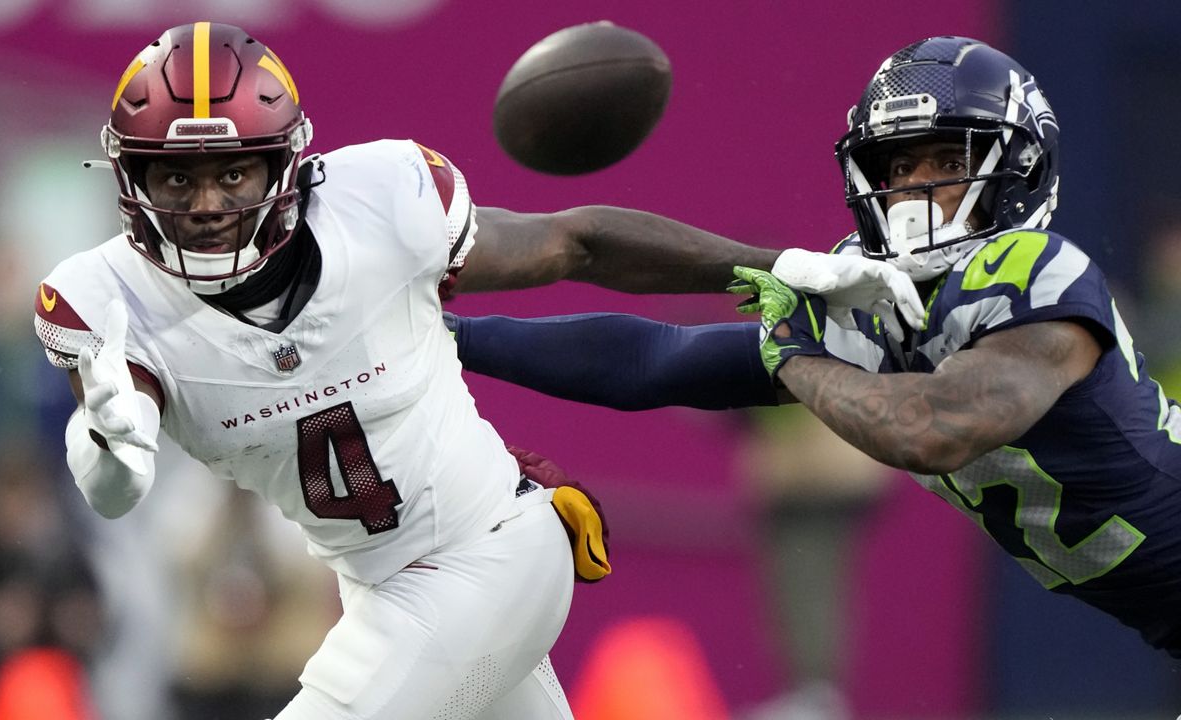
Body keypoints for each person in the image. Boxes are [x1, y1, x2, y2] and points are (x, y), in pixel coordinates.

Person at [31, 22, 916, 720]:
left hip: (492, 552)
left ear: (285, 166)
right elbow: (115, 484)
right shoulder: (104, 301)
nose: (207, 207)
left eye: (231, 173)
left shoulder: (380, 204)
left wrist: (778, 267)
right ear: (130, 178)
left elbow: (576, 241)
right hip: (379, 588)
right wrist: (110, 447)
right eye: (176, 180)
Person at [445, 36, 1181, 659]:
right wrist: (451, 337)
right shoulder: (873, 298)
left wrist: (794, 356)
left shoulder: (1036, 272)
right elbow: (655, 358)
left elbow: (935, 426)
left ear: (1015, 168)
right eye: (897, 168)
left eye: (943, 161)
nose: (914, 191)